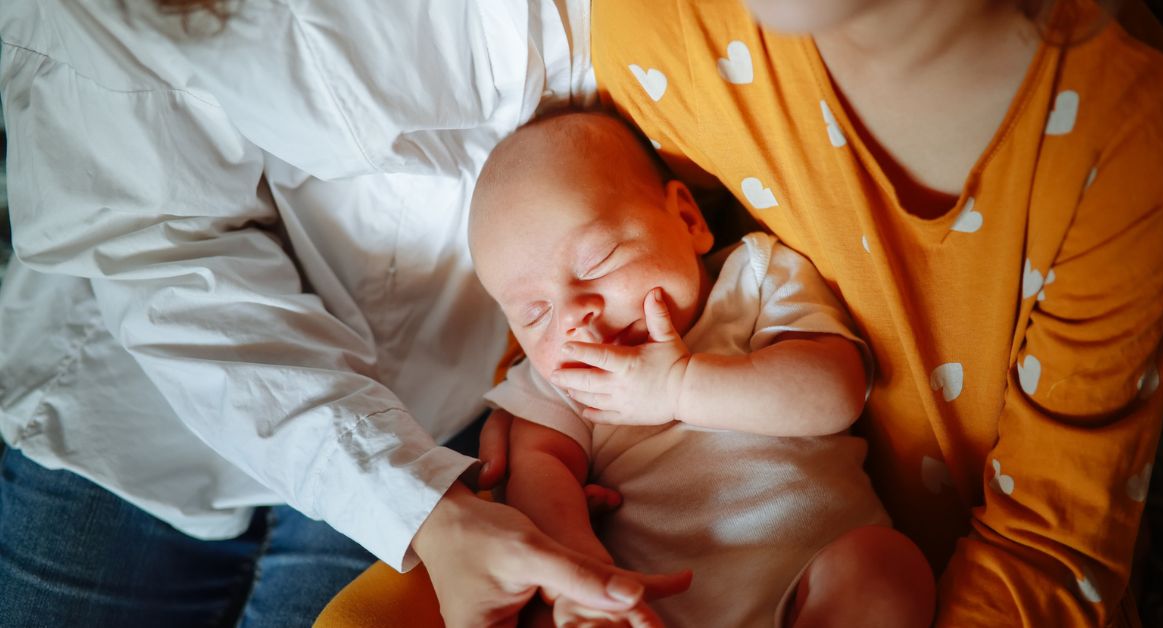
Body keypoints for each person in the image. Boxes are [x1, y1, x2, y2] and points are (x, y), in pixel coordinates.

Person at [0, 1, 687, 626]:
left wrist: (536, 392)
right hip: (133, 425)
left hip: (443, 428)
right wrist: (421, 510)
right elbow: (157, 251)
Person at [577, 0, 1163, 625]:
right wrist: (538, 452)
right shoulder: (660, 30)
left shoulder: (1121, 127)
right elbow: (579, 258)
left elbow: (1050, 545)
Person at [468, 110, 935, 627]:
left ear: (688, 220)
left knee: (887, 568)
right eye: (535, 314)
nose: (575, 315)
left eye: (597, 260)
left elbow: (836, 390)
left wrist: (680, 387)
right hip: (658, 612)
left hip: (814, 581)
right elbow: (537, 472)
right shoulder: (566, 378)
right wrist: (581, 563)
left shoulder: (754, 280)